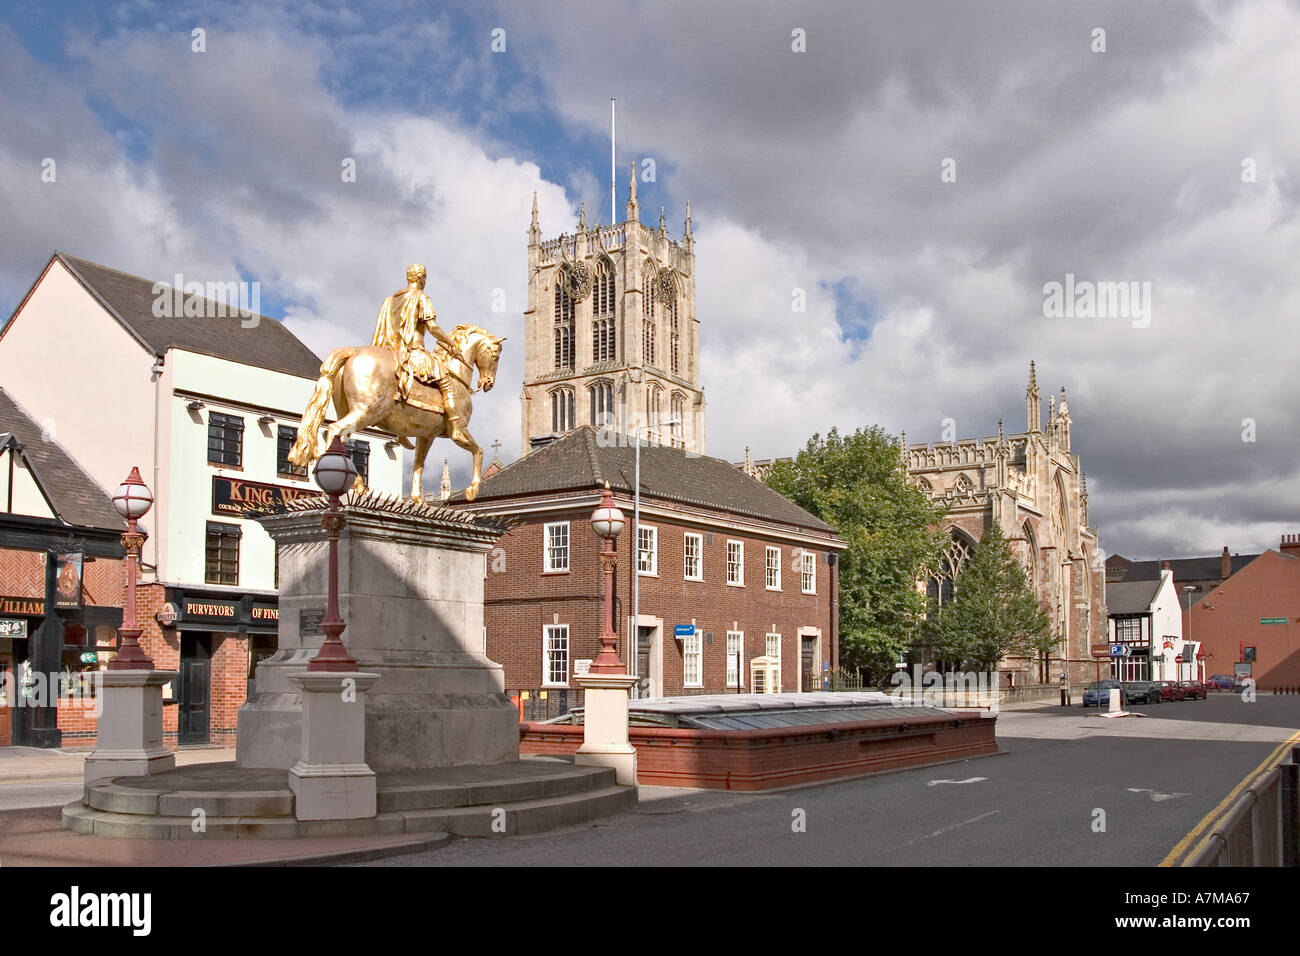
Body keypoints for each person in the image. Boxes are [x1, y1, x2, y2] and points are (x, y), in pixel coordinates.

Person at [371, 263, 468, 440]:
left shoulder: (391, 300)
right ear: (422, 278)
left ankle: (404, 426)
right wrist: (450, 342)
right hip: (414, 351)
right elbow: (432, 327)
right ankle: (455, 427)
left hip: (392, 350)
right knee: (446, 381)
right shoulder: (421, 297)